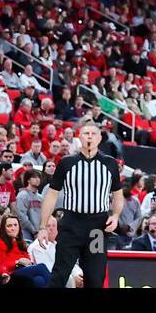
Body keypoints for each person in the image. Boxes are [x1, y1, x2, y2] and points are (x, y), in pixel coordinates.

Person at [40, 121, 123, 288]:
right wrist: (42, 226)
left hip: (97, 226)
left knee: (95, 277)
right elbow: (52, 194)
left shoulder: (110, 164)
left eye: (94, 133)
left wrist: (115, 216)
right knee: (60, 274)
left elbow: (118, 195)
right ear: (79, 137)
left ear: (100, 138)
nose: (90, 136)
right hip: (71, 223)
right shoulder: (66, 163)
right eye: (86, 133)